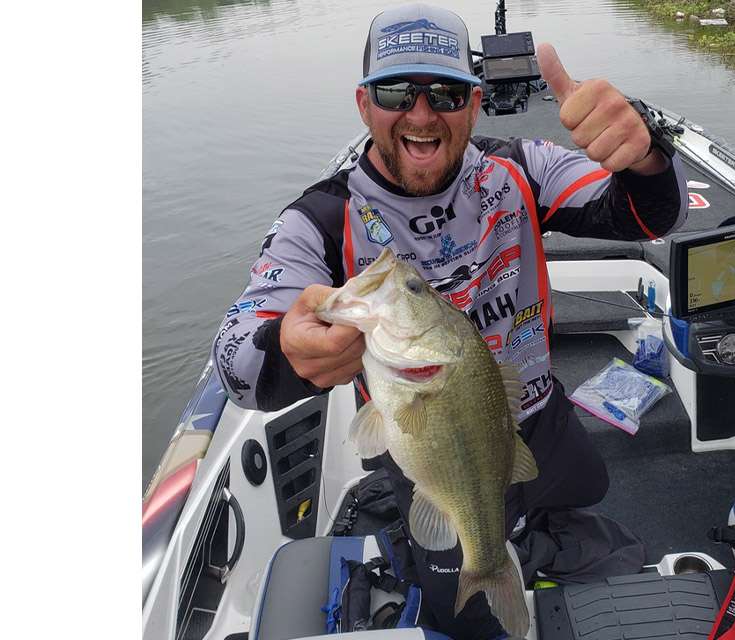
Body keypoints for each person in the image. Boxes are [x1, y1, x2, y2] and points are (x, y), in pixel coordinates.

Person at [213, 3, 687, 637]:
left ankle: (537, 539)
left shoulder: (521, 167)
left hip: (535, 415)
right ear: (363, 104)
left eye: (445, 92)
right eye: (396, 91)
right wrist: (285, 350)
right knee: (462, 611)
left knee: (583, 495)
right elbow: (239, 367)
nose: (421, 113)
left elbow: (647, 220)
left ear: (474, 103)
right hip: (426, 448)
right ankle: (490, 566)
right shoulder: (321, 221)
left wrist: (645, 157)